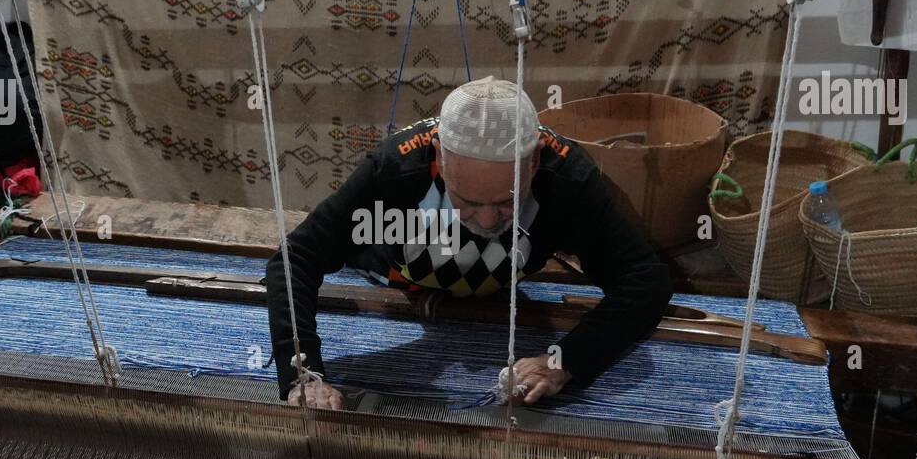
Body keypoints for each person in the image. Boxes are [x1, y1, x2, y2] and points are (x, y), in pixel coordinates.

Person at [265, 75, 672, 409]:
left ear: (534, 161)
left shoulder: (568, 179)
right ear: (440, 156)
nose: (488, 220)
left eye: (507, 200)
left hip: (500, 288)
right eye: (469, 201)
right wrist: (303, 375)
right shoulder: (395, 171)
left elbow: (645, 281)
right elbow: (295, 258)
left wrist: (563, 360)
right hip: (392, 270)